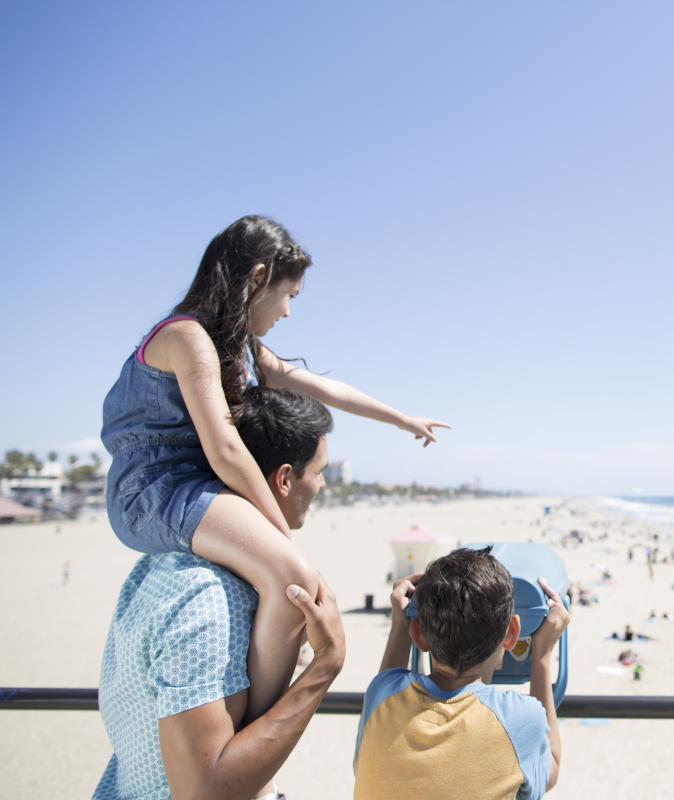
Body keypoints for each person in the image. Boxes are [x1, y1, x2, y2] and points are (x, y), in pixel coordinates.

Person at [100, 215, 450, 723]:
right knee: (292, 574)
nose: (287, 312)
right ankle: (254, 734)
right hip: (155, 490)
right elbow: (224, 449)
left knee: (288, 576)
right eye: (289, 295)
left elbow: (322, 388)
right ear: (257, 279)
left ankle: (252, 720)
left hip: (201, 488)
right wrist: (283, 535)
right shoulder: (187, 337)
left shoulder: (237, 347)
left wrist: (402, 419)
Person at [94, 387, 343, 800]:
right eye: (319, 472)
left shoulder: (164, 561)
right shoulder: (208, 597)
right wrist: (325, 666)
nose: (321, 486)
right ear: (284, 478)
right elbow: (203, 791)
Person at [354, 547, 570, 800]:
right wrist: (542, 655)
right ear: (512, 633)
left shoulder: (383, 696)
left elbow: (390, 672)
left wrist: (400, 624)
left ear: (418, 635)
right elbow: (549, 769)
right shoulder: (520, 718)